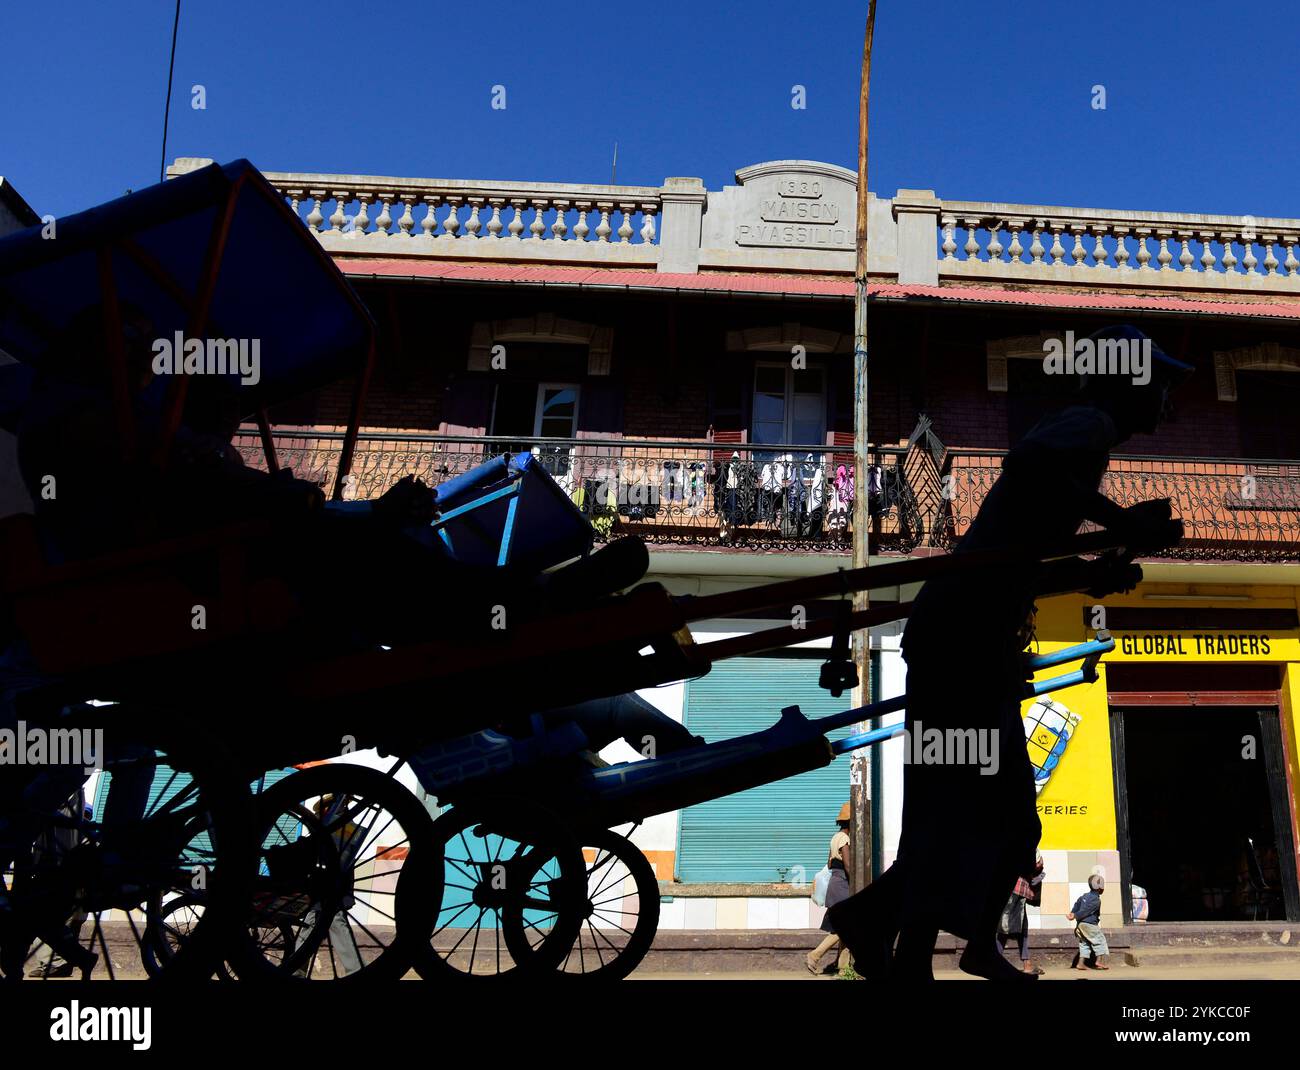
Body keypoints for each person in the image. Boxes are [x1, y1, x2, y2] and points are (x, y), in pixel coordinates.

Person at [828, 325, 1192, 981]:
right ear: (1129, 378)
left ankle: (915, 952)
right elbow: (1027, 468)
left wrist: (1091, 573)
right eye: (1161, 384)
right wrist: (1124, 523)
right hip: (962, 643)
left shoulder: (1085, 440)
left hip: (966, 639)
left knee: (964, 810)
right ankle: (910, 936)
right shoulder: (1087, 425)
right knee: (1002, 813)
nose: (1168, 401)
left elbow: (1018, 566)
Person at [806, 803, 853, 975]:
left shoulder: (834, 837)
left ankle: (843, 968)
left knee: (847, 926)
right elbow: (848, 866)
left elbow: (829, 863)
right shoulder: (845, 839)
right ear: (850, 821)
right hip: (842, 885)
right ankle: (815, 955)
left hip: (835, 882)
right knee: (844, 927)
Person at [996, 850, 1044, 975]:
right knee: (1006, 927)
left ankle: (1026, 963)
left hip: (1008, 889)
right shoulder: (1026, 843)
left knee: (1017, 926)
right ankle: (996, 960)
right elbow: (1038, 863)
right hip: (1017, 889)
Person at [1068, 874, 1109, 970]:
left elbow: (1077, 904)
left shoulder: (1084, 896)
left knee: (1084, 943)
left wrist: (1072, 913)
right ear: (1100, 888)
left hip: (1080, 925)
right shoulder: (1096, 900)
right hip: (1089, 924)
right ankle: (1099, 961)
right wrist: (1075, 915)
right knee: (1100, 940)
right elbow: (1086, 910)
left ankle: (1080, 963)